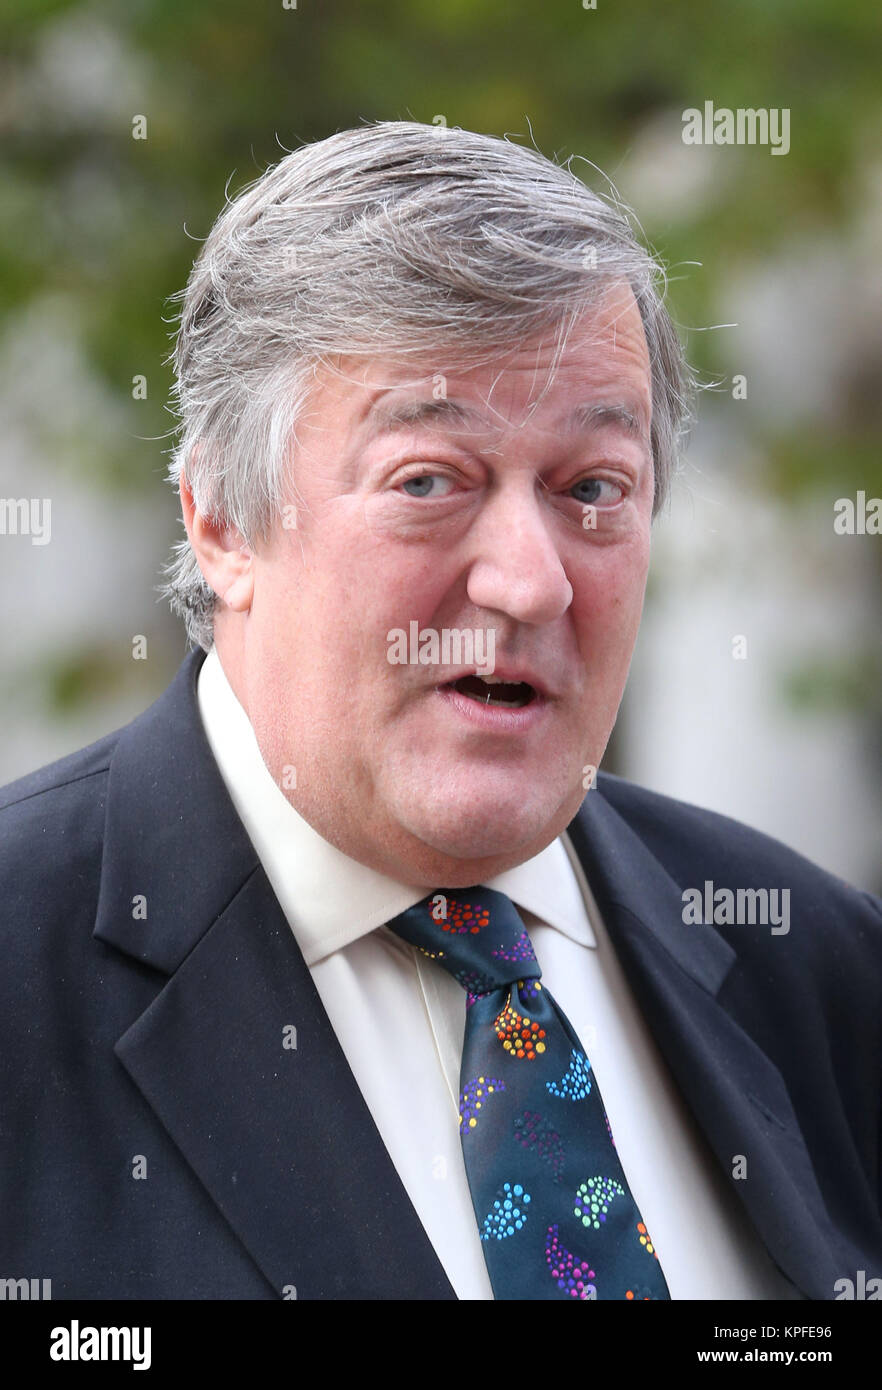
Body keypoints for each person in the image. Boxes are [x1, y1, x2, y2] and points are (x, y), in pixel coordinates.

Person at [1, 120, 879, 1302]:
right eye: (429, 481)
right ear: (222, 520)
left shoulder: (821, 968)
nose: (531, 578)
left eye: (592, 489)